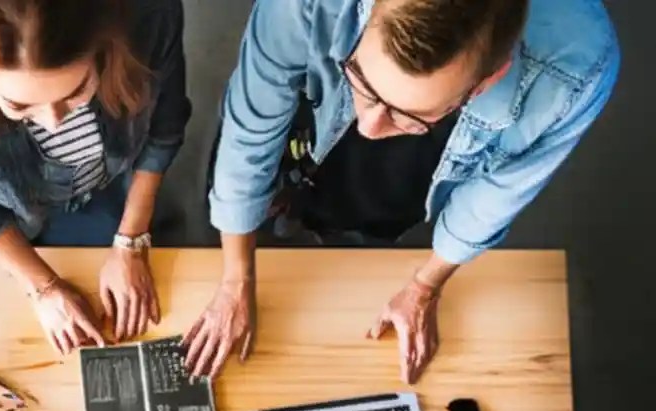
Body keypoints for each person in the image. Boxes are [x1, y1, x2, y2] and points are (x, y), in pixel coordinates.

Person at [185, 0, 619, 381]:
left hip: (407, 176)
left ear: (486, 81)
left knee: (368, 212)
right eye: (363, 83)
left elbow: (495, 196)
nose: (370, 128)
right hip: (307, 117)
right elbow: (253, 125)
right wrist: (234, 281)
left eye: (408, 116)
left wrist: (423, 289)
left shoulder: (577, 68)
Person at [0, 0, 191, 353]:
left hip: (115, 181)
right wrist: (42, 287)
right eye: (20, 106)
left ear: (105, 45)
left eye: (75, 93)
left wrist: (130, 240)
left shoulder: (151, 17)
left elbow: (164, 127)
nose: (54, 122)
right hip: (13, 214)